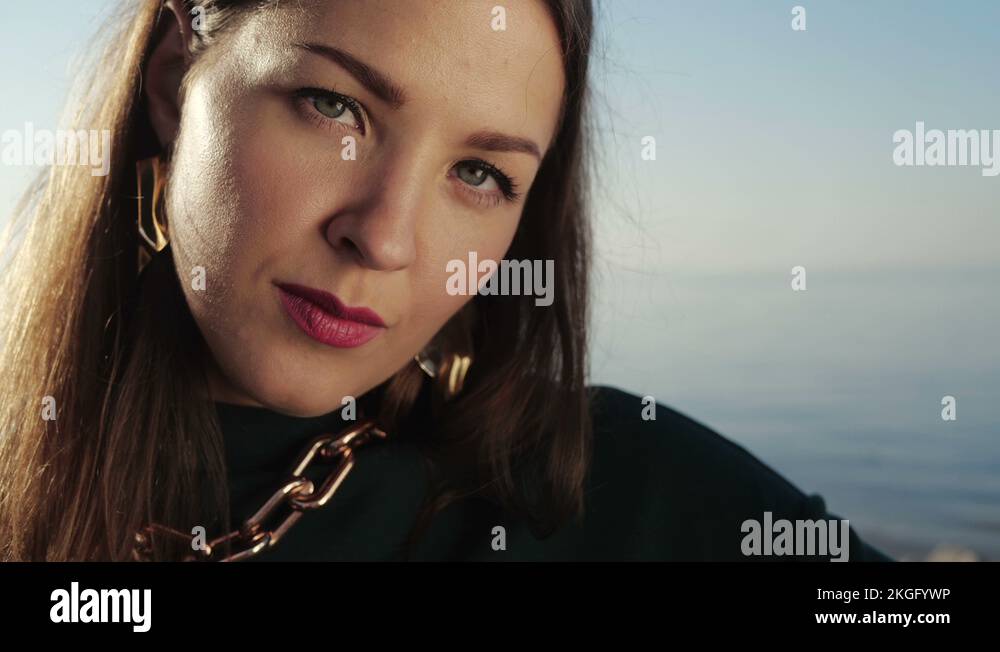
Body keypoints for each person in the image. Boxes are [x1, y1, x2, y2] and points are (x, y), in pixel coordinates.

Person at [0, 0, 890, 562]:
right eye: (335, 106)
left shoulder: (622, 489)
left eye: (480, 176)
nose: (384, 239)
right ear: (173, 80)